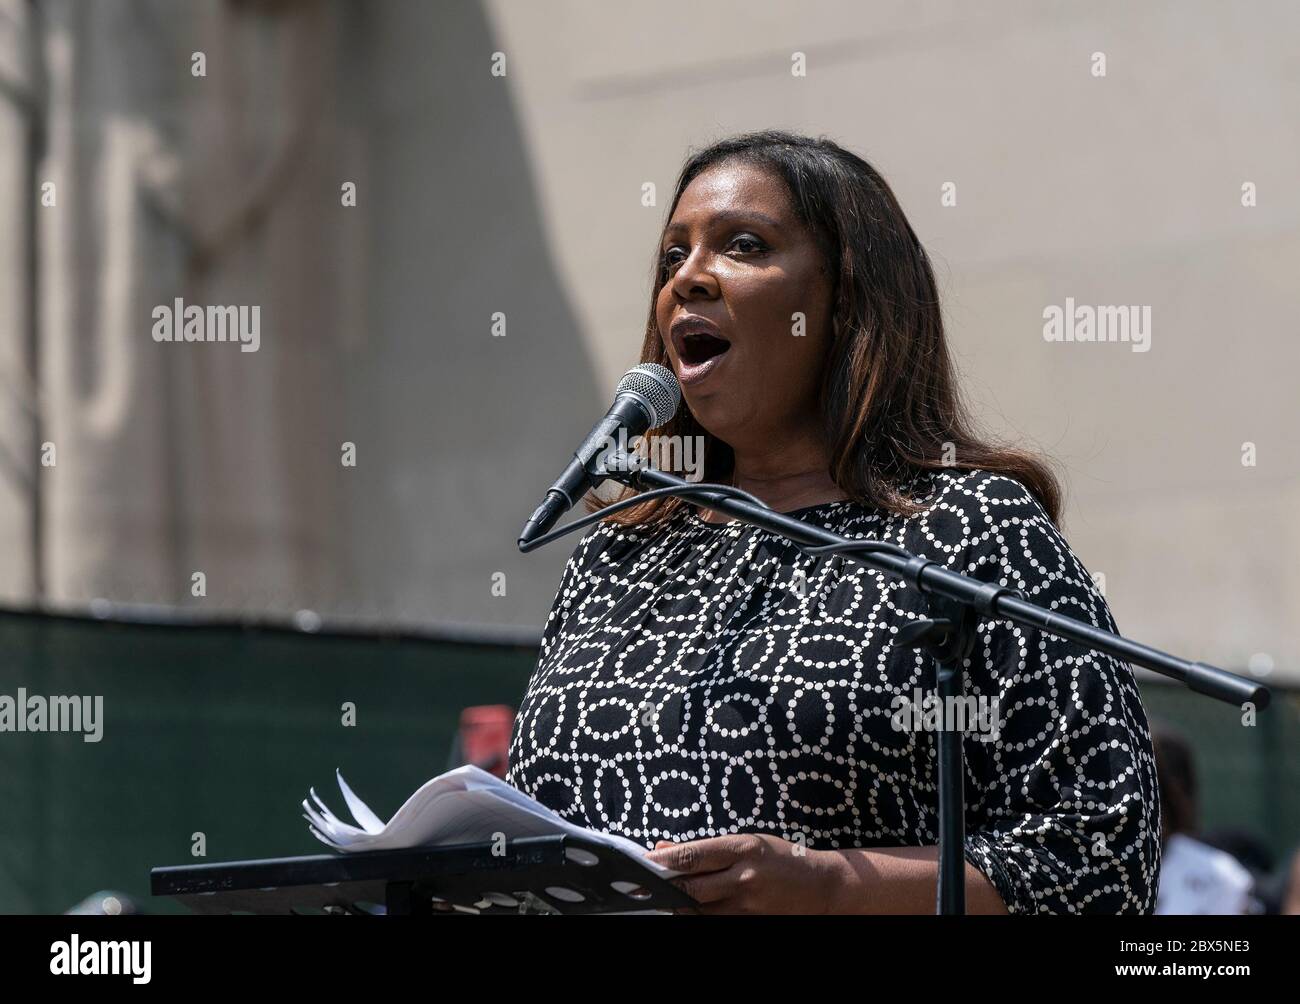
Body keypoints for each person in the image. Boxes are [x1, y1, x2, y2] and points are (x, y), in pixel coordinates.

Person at [506, 131, 1161, 914]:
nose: (689, 279)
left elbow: (1100, 852)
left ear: (847, 298)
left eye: (742, 245)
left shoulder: (967, 530)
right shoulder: (619, 551)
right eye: (671, 258)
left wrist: (829, 886)